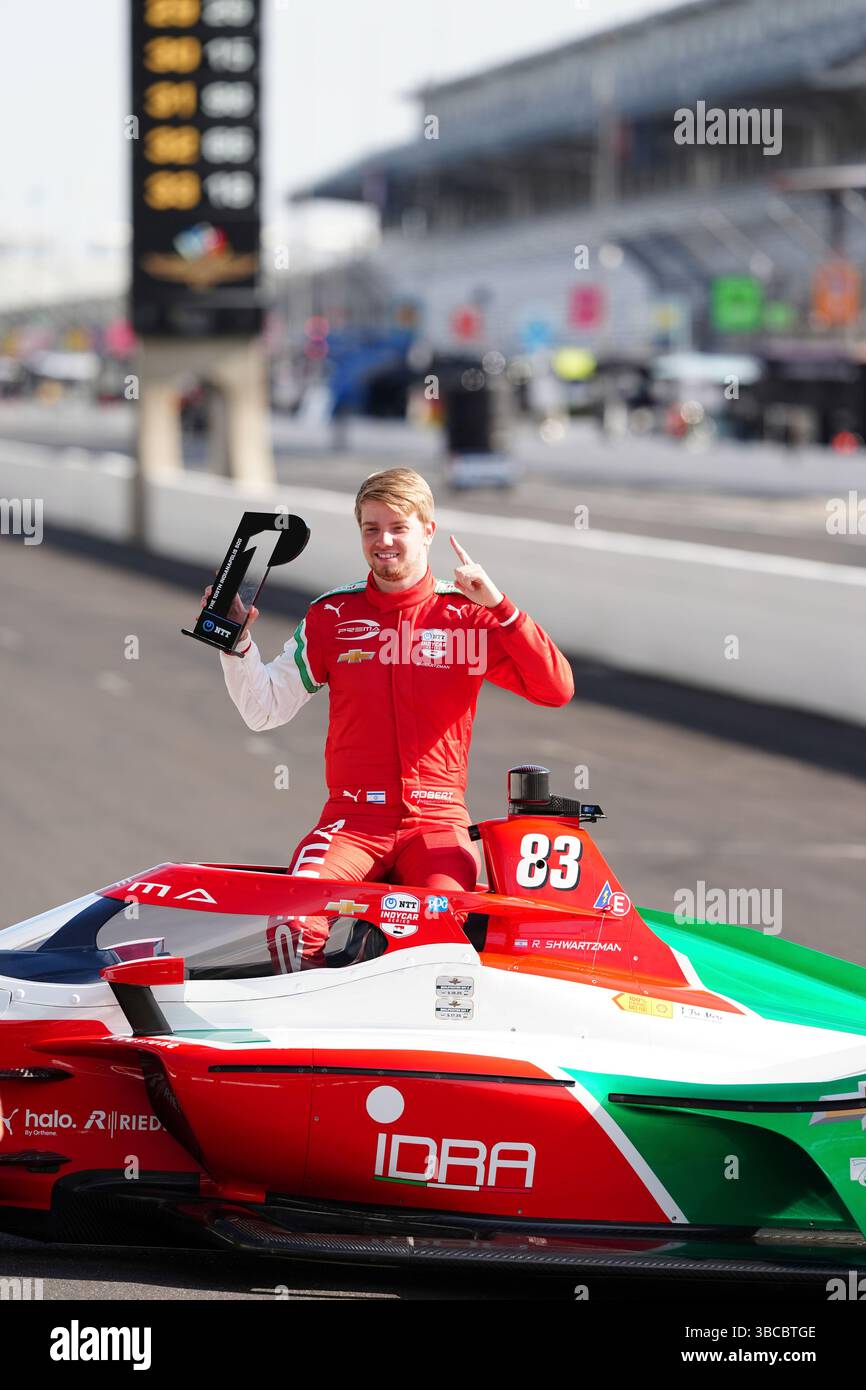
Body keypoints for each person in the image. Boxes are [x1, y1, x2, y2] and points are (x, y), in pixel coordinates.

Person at [210, 468, 573, 970]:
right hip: (352, 822)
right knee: (294, 924)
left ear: (428, 529)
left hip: (438, 824)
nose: (384, 541)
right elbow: (264, 708)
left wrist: (501, 607)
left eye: (398, 527)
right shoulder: (332, 616)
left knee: (439, 939)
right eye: (371, 528)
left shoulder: (465, 616)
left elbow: (555, 689)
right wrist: (234, 642)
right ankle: (311, 1042)